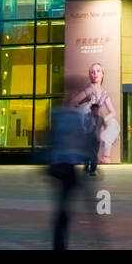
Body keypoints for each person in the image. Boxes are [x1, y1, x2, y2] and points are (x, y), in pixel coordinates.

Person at [49, 82, 89, 249]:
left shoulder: (72, 115)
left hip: (69, 165)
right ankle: (59, 243)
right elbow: (53, 139)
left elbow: (80, 140)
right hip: (61, 165)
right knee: (64, 207)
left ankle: (60, 241)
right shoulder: (59, 114)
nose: (72, 96)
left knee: (65, 207)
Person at [71, 62, 120, 164]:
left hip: (95, 120)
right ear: (90, 75)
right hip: (86, 118)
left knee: (113, 123)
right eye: (92, 72)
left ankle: (106, 155)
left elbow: (113, 112)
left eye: (98, 71)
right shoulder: (89, 90)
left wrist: (103, 120)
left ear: (102, 74)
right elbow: (73, 102)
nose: (95, 74)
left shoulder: (104, 92)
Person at [83, 103, 101, 177]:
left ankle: (89, 168)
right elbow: (84, 126)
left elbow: (102, 126)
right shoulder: (86, 117)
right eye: (95, 110)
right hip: (88, 137)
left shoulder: (99, 118)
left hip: (96, 138)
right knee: (92, 154)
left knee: (94, 154)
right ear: (92, 110)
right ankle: (91, 169)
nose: (97, 111)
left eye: (97, 110)